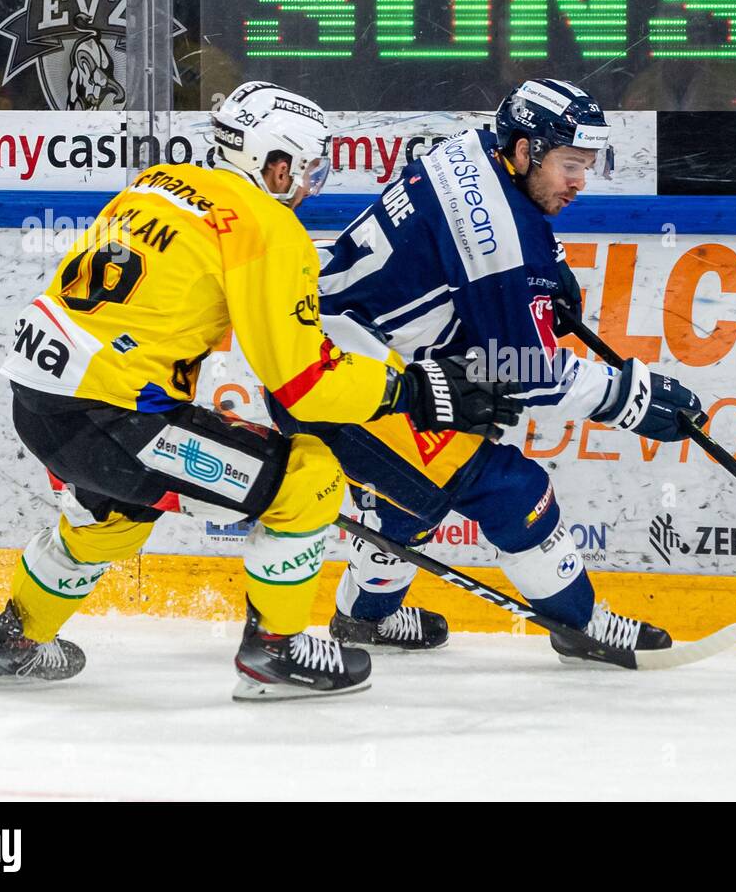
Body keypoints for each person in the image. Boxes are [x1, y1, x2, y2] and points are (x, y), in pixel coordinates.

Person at [0, 81, 519, 700]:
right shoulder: (265, 226)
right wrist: (416, 389)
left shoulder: (158, 183)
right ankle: (274, 655)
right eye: (307, 171)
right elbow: (306, 383)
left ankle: (11, 643)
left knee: (111, 517)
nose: (308, 187)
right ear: (276, 165)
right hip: (114, 417)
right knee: (310, 480)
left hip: (41, 402)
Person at [269, 79, 703, 662]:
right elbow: (525, 370)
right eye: (570, 165)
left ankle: (365, 617)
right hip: (339, 380)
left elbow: (480, 256)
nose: (580, 182)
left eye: (587, 165)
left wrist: (546, 279)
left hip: (330, 350)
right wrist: (629, 397)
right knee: (508, 488)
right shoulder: (499, 235)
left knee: (419, 486)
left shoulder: (471, 150)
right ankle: (581, 626)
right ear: (524, 151)